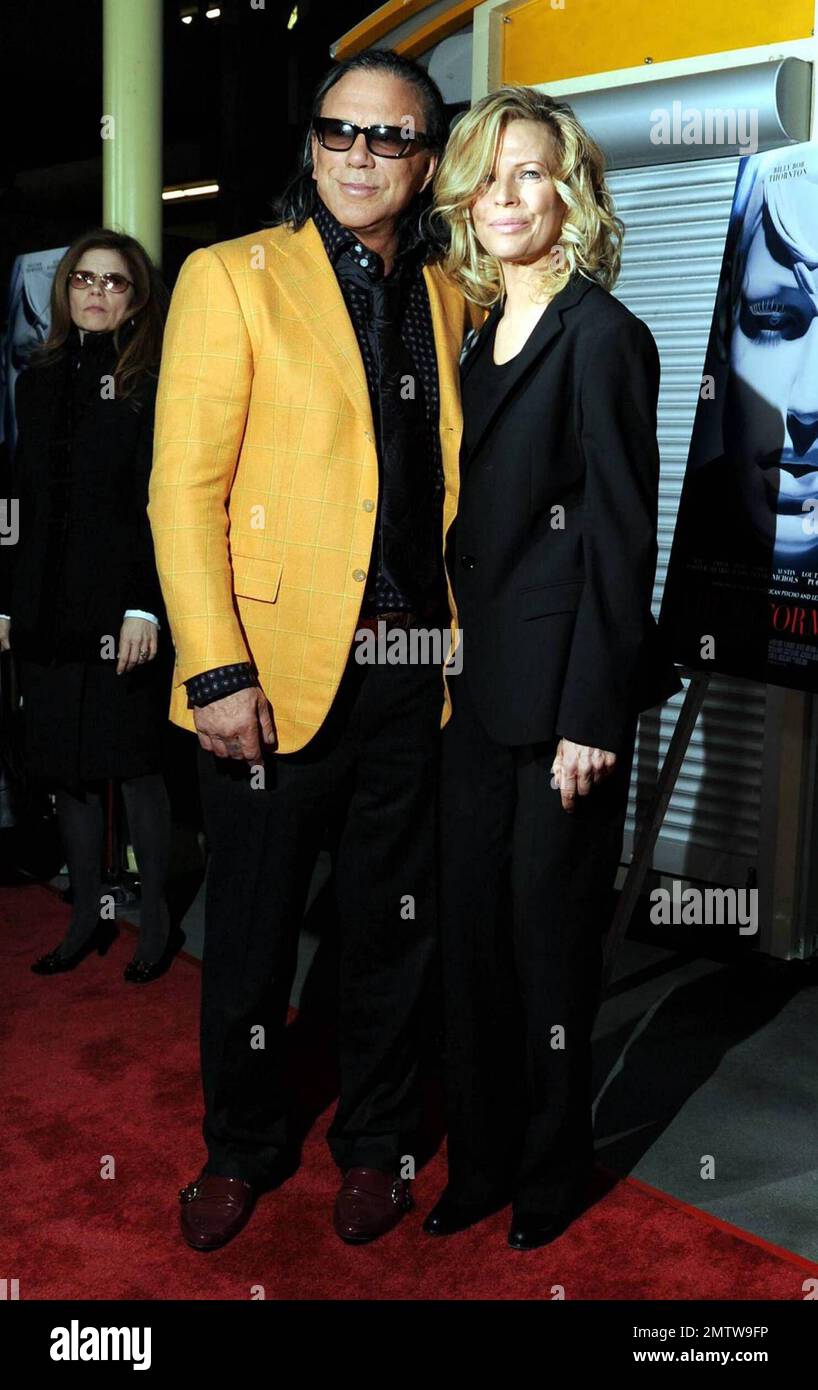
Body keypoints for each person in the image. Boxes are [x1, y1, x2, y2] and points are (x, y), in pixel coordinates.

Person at [149, 50, 480, 1250]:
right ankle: (240, 1144)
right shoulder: (229, 276)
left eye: (387, 139)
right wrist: (217, 671)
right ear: (311, 143)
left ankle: (379, 1138)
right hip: (270, 673)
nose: (357, 156)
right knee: (248, 928)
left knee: (393, 926)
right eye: (338, 132)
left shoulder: (449, 295)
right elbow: (180, 492)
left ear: (424, 161)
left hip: (410, 672)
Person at [423, 86, 682, 1250]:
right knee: (470, 938)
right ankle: (475, 1161)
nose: (504, 196)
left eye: (528, 173)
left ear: (565, 190)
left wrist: (594, 714)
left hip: (562, 706)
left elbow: (621, 539)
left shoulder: (603, 336)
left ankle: (546, 1170)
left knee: (548, 947)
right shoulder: (472, 336)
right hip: (470, 699)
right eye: (485, 175)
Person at [0, 229, 174, 984]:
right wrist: (7, 600)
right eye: (84, 281)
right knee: (65, 771)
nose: (98, 293)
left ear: (136, 299)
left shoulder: (153, 380)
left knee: (132, 768)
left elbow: (159, 501)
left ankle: (159, 921)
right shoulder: (35, 380)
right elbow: (20, 498)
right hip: (45, 604)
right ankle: (85, 918)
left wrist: (146, 606)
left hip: (119, 609)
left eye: (115, 283)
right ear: (65, 292)